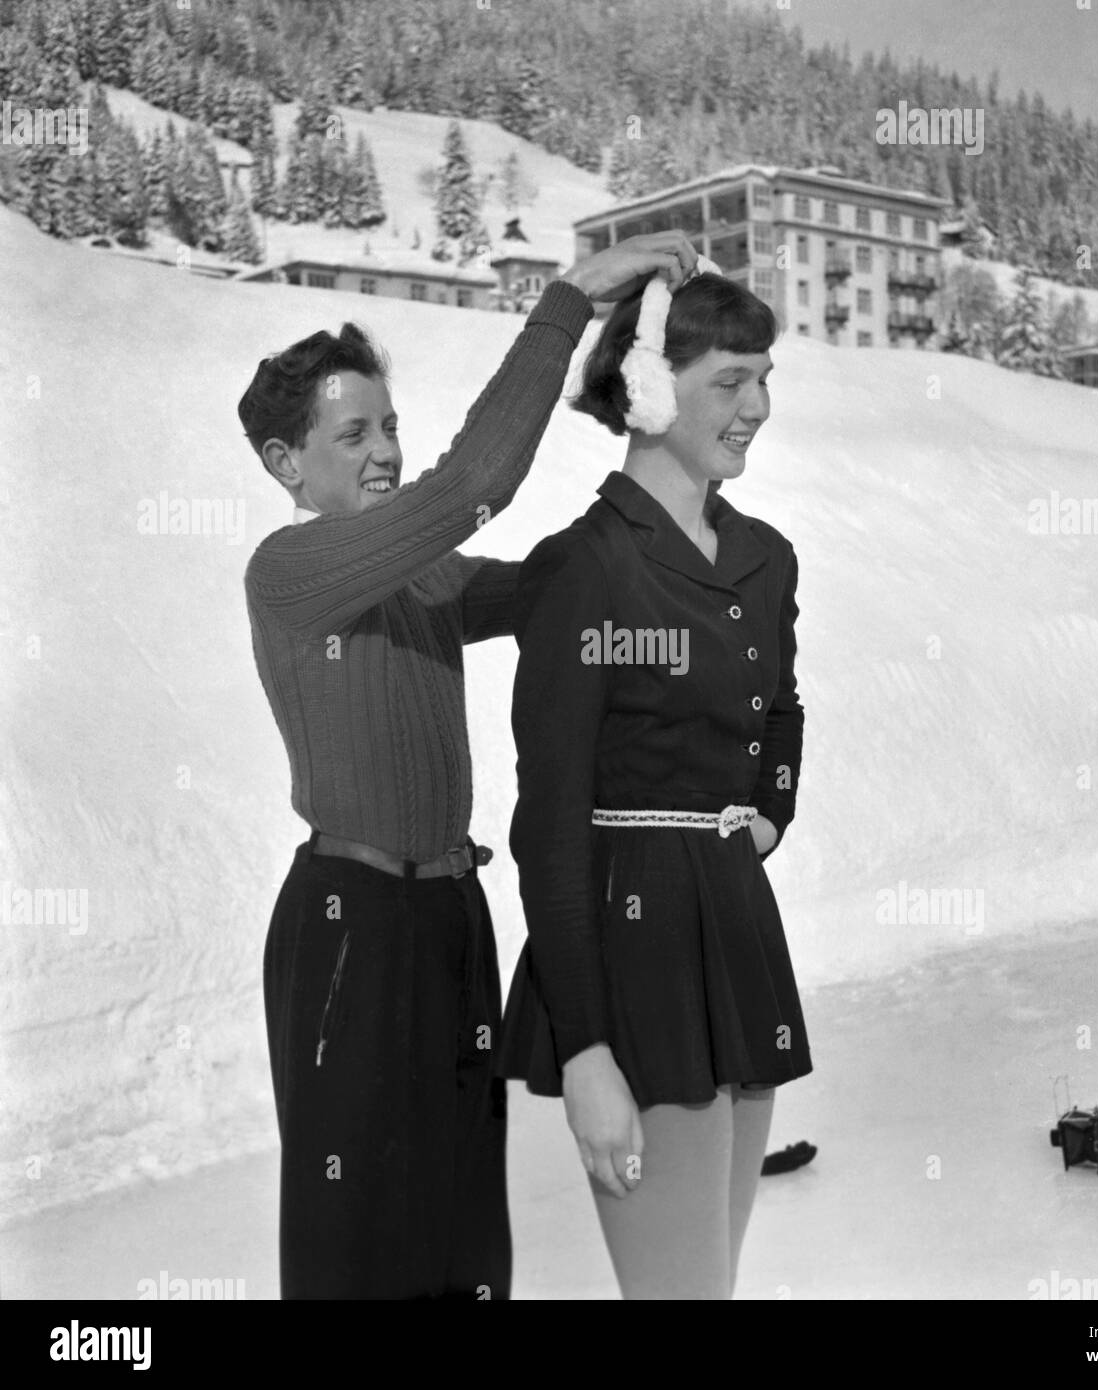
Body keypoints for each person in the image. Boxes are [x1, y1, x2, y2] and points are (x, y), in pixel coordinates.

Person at [238, 230, 700, 1299]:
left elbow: (551, 586)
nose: (384, 451)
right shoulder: (290, 572)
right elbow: (475, 483)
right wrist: (568, 301)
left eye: (390, 426)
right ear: (285, 464)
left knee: (462, 1234)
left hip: (452, 920)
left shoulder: (425, 576)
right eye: (352, 433)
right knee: (357, 1244)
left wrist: (657, 482)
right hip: (350, 926)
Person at [496, 270, 812, 1299]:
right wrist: (584, 1048)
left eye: (763, 377)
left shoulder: (763, 557)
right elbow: (549, 827)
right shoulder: (586, 568)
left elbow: (780, 708)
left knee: (707, 1282)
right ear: (650, 389)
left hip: (734, 933)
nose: (756, 406)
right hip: (632, 958)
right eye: (729, 381)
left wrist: (767, 816)